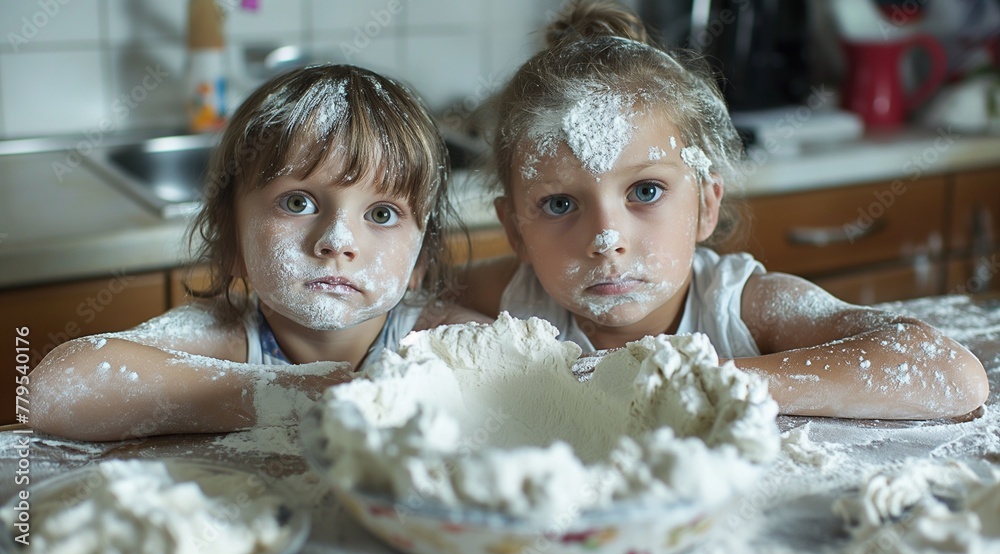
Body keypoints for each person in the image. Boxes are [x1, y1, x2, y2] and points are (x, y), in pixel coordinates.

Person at [458, 0, 989, 420]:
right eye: (559, 204)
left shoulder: (741, 306)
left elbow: (948, 374)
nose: (606, 238)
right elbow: (410, 298)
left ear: (706, 205)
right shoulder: (514, 297)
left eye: (644, 191)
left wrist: (707, 378)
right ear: (516, 230)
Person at [30, 64, 488, 441]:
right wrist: (295, 393)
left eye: (383, 214)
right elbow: (53, 392)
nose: (338, 240)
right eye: (298, 202)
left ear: (421, 260)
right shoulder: (228, 338)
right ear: (233, 246)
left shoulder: (440, 341)